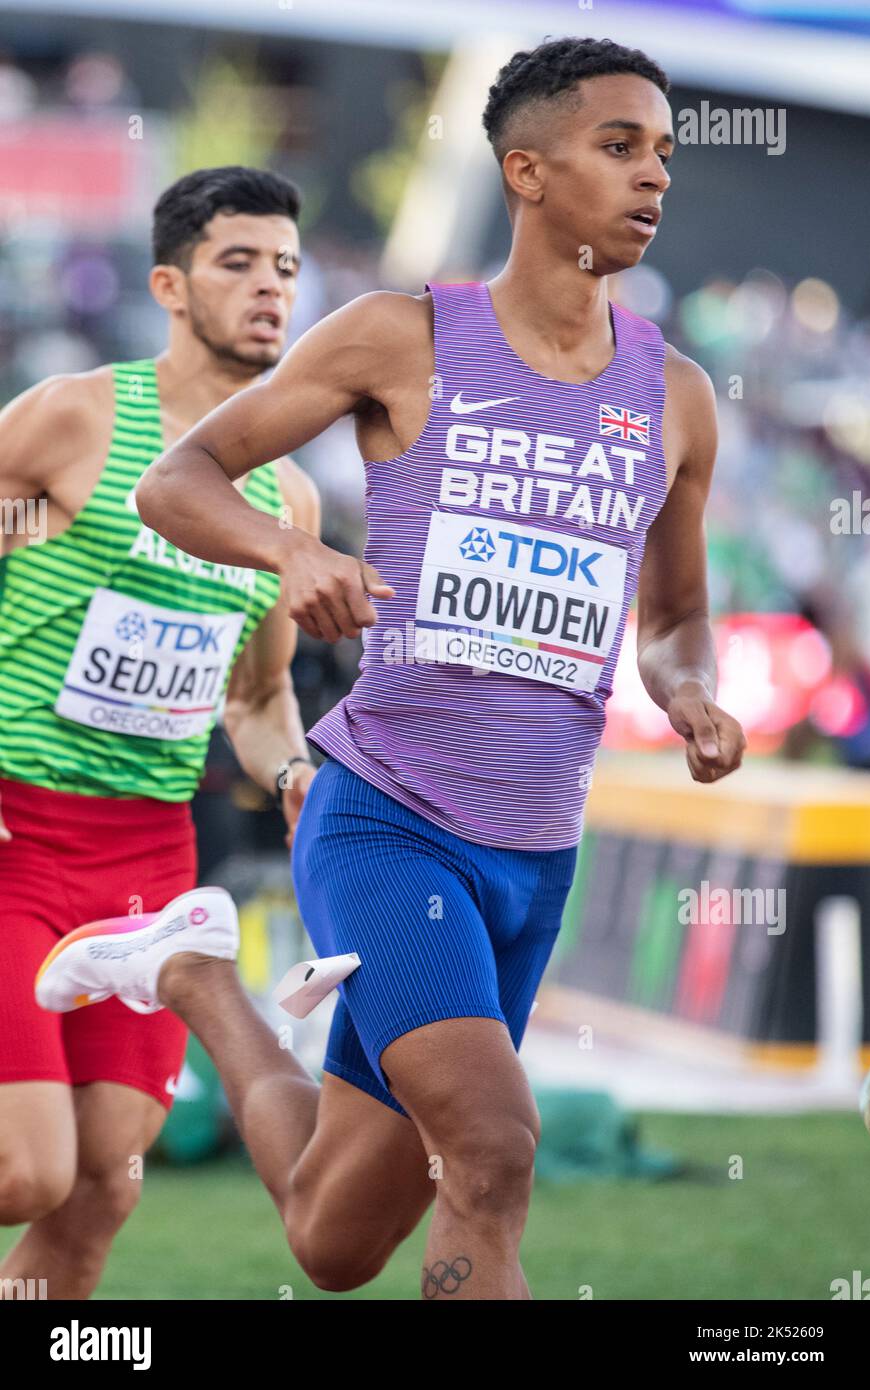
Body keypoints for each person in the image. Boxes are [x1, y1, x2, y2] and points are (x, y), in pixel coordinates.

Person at [41, 38, 747, 1299]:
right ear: (524, 172)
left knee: (334, 1240)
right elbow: (177, 477)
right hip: (389, 818)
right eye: (620, 147)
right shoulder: (398, 337)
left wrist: (686, 686)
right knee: (492, 1143)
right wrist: (282, 549)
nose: (655, 180)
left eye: (666, 156)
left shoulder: (678, 396)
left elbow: (677, 616)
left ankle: (194, 971)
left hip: (535, 855)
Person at [0, 165, 320, 1298]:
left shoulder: (284, 502)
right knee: (25, 1169)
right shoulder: (76, 418)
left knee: (104, 1188)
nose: (270, 288)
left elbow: (254, 695)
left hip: (146, 868)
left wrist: (292, 773)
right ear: (170, 286)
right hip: (18, 833)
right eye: (238, 263)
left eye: (285, 267)